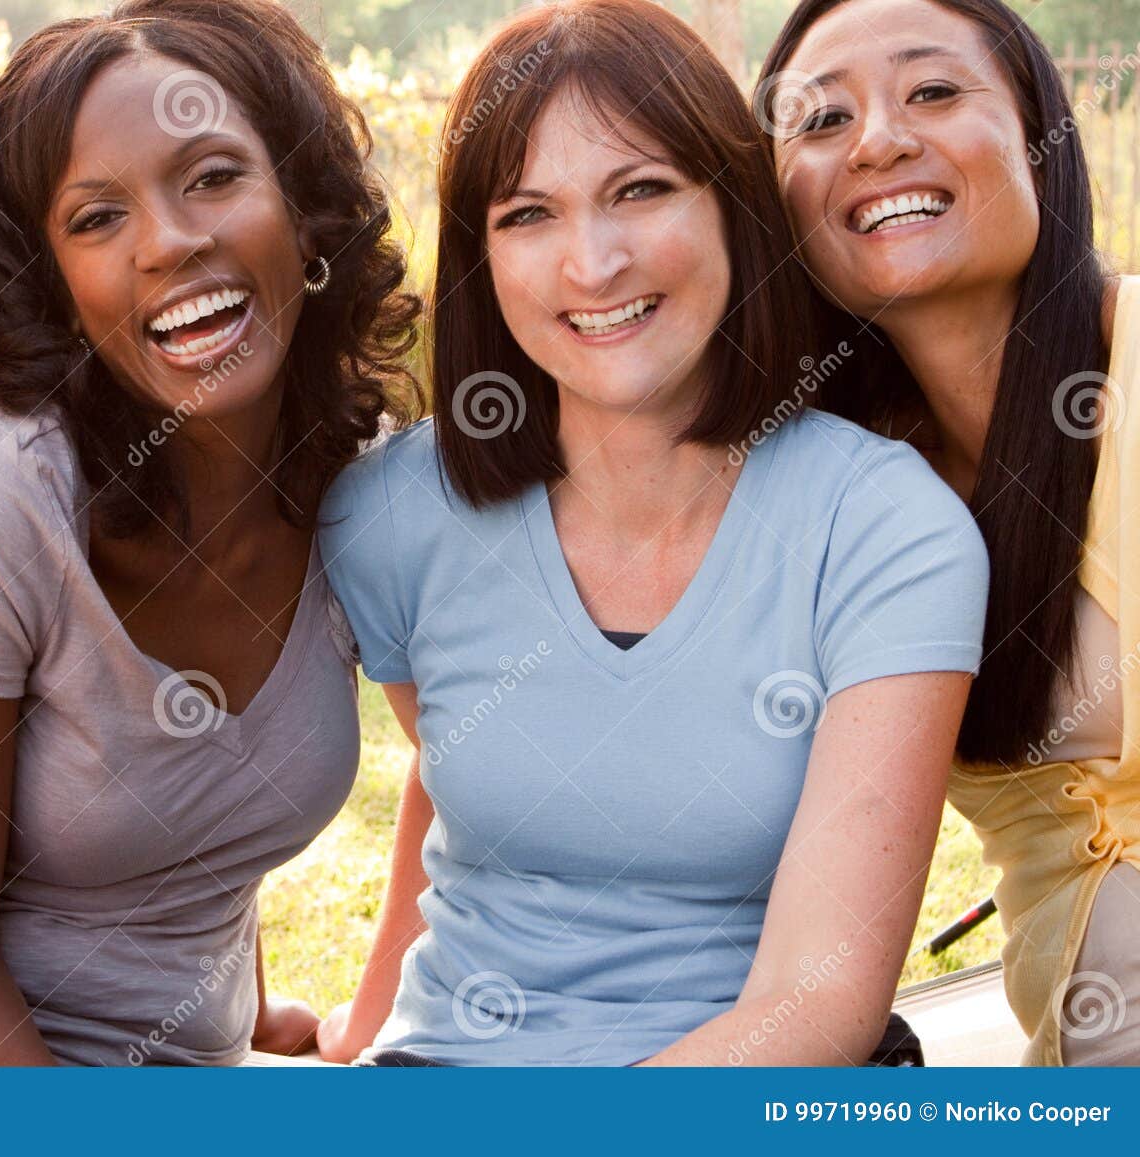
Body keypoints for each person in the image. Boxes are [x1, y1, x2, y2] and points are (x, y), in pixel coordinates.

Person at [315, 0, 989, 1067]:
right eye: (528, 215)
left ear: (733, 213)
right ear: (480, 260)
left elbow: (816, 1006)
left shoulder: (884, 528)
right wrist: (363, 1033)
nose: (592, 263)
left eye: (640, 190)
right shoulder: (393, 514)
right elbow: (457, 774)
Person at [0, 0, 422, 1066]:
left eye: (212, 176)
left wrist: (267, 1013)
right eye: (96, 217)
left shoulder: (368, 493)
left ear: (304, 212)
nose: (170, 240)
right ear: (55, 291)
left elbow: (461, 775)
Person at [762, 0, 1140, 1065]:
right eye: (821, 122)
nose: (879, 138)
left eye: (932, 90)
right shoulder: (833, 494)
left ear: (1036, 137)